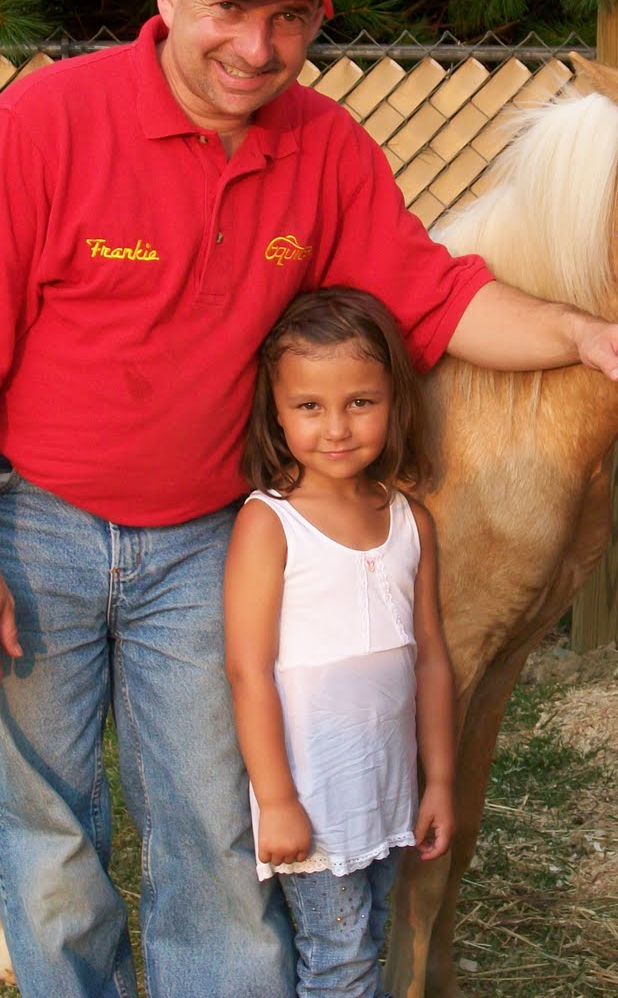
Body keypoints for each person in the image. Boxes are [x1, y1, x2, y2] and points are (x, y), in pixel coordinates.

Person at [0, 0, 618, 998]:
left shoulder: (321, 147)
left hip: (202, 549)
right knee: (53, 847)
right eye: (230, 9)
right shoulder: (45, 125)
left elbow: (436, 296)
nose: (256, 50)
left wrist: (584, 336)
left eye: (288, 21)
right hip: (36, 530)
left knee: (218, 842)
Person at [225, 287, 454, 998]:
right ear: (277, 409)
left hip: (385, 796)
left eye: (361, 402)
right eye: (309, 407)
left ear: (395, 401)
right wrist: (279, 799)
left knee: (369, 936)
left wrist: (440, 780)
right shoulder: (269, 523)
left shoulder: (411, 519)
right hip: (314, 800)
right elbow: (248, 672)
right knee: (339, 957)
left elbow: (433, 657)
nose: (337, 428)